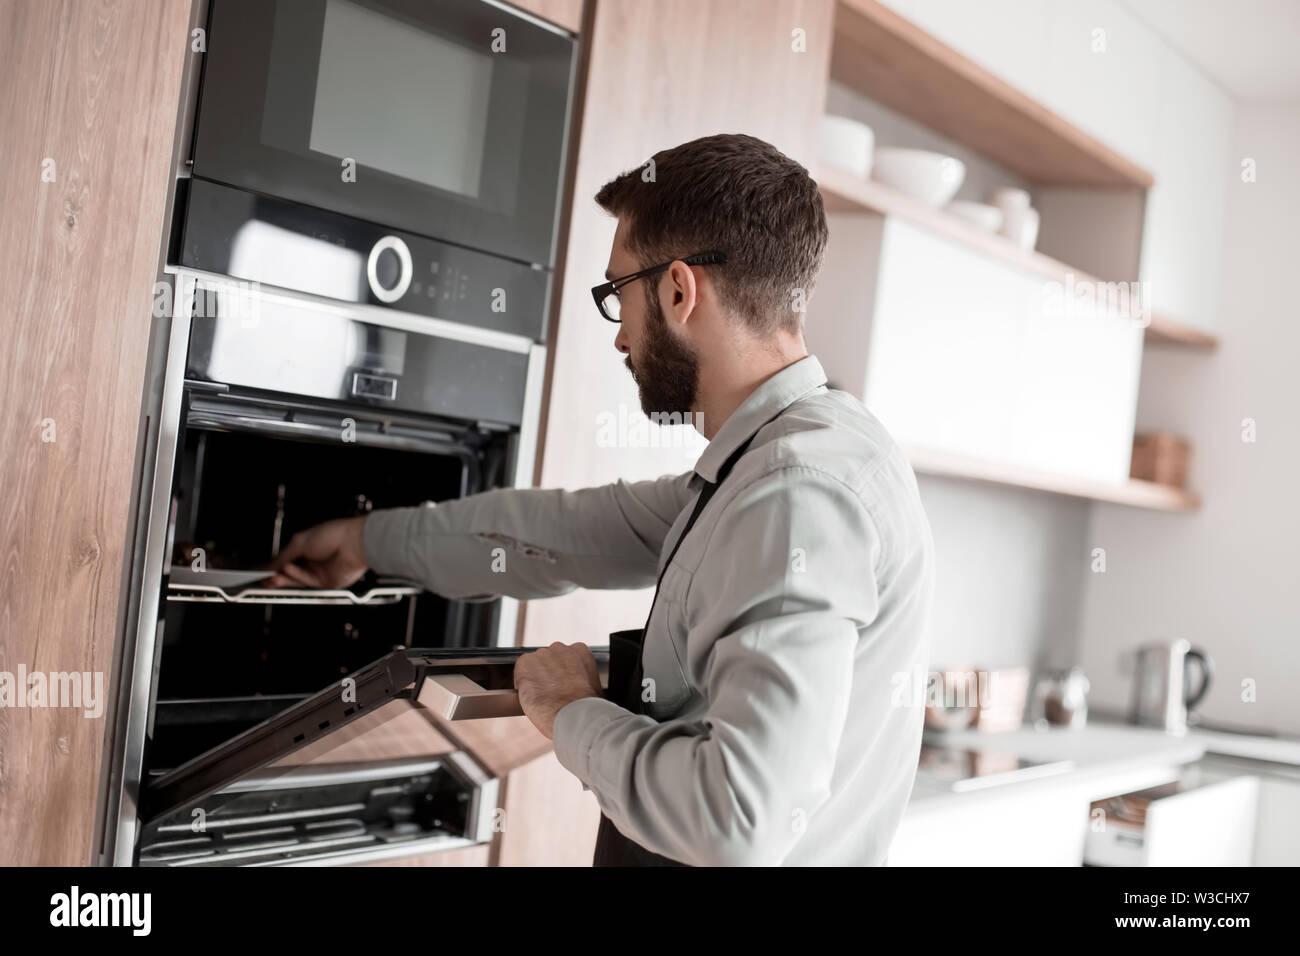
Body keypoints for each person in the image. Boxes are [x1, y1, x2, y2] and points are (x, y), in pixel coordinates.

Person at [268, 133, 934, 867]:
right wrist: (369, 541)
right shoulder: (781, 462)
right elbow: (567, 532)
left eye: (619, 294)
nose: (619, 336)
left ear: (679, 291)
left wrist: (571, 714)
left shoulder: (796, 492)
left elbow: (737, 820)